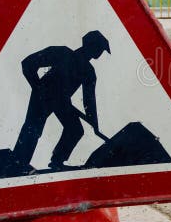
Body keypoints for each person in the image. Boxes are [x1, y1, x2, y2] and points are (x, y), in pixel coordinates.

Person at [12, 30, 111, 171]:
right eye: (99, 48)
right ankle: (18, 163)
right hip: (42, 96)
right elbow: (27, 63)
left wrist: (94, 122)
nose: (100, 52)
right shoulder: (63, 53)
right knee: (32, 128)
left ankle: (57, 161)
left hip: (62, 101)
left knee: (75, 130)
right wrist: (38, 87)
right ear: (91, 45)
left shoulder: (89, 72)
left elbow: (89, 100)